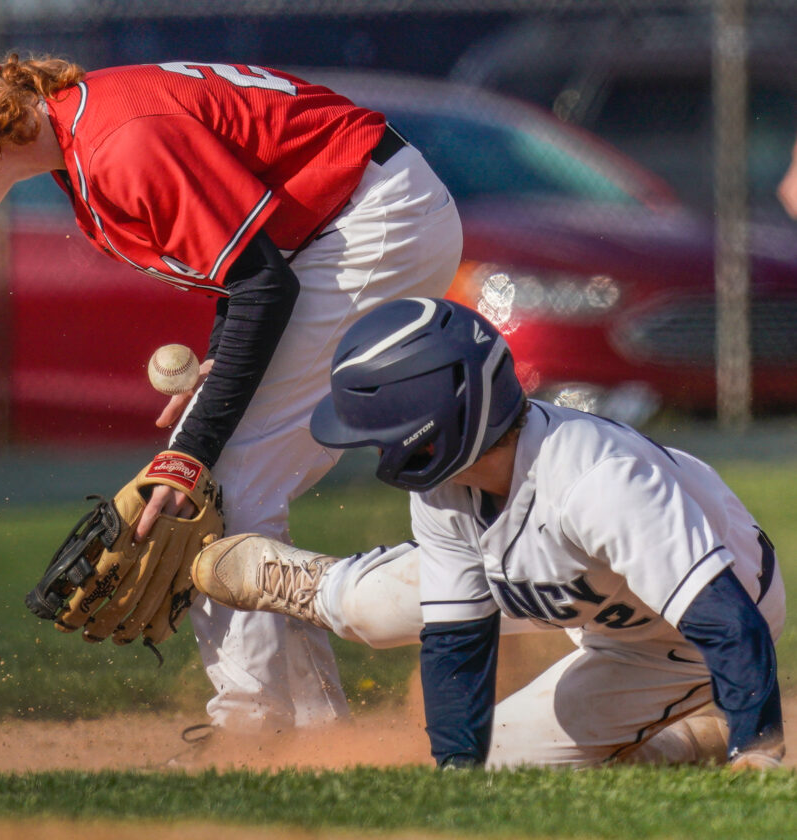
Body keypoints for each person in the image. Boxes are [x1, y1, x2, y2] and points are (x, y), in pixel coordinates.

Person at [0, 32, 464, 732]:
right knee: (221, 478)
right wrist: (219, 375)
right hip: (356, 219)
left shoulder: (118, 142)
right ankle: (302, 725)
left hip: (371, 220)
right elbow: (246, 272)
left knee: (214, 487)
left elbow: (263, 284)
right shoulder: (84, 142)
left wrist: (191, 451)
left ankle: (259, 726)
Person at [192, 297, 787, 769]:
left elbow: (728, 622)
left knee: (508, 759)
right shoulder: (448, 485)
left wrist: (756, 751)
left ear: (435, 427)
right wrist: (456, 768)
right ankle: (316, 585)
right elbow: (458, 641)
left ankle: (690, 735)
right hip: (575, 588)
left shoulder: (600, 484)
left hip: (676, 638)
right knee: (371, 611)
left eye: (382, 430)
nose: (372, 447)